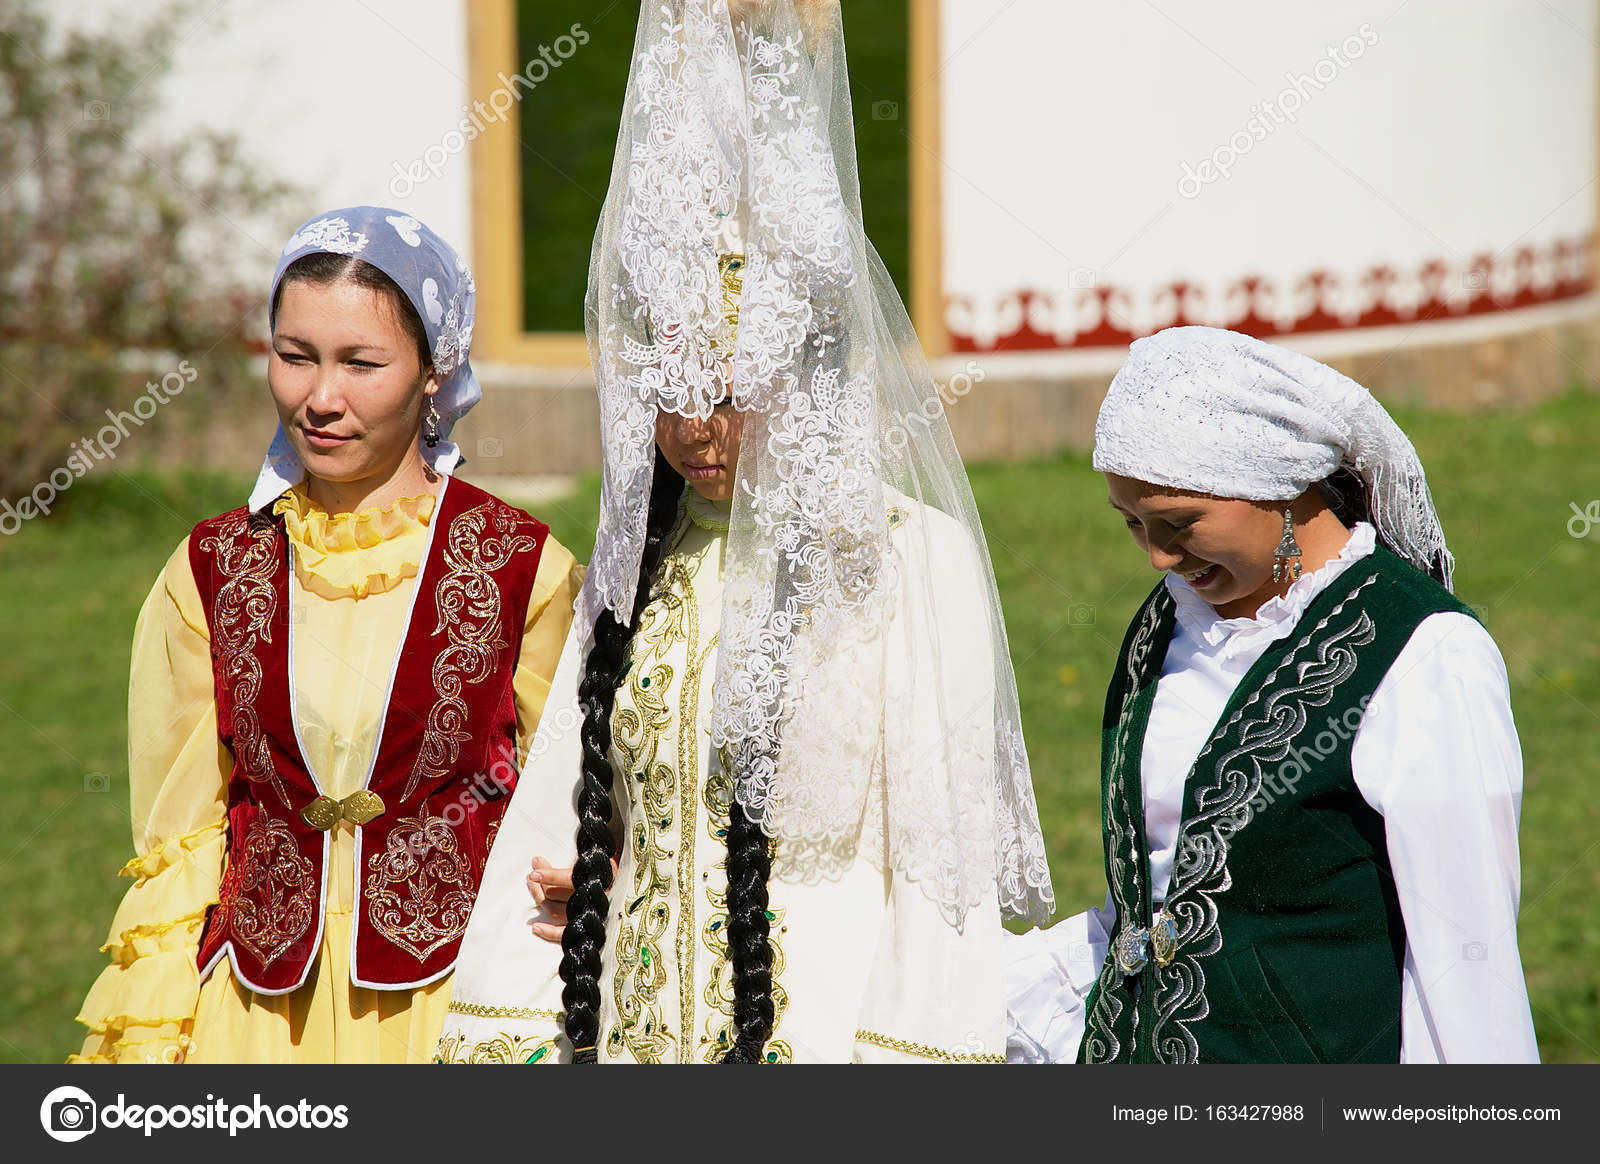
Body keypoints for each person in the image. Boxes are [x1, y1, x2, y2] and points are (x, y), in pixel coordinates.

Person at [435, 0, 1053, 1065]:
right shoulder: (642, 564)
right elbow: (562, 817)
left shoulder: (904, 564)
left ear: (809, 379)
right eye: (667, 394)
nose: (694, 431)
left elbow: (940, 882)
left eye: (729, 393)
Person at [71, 207, 581, 1063]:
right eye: (295, 355)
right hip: (258, 1015)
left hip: (458, 1004)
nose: (320, 398)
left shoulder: (520, 567)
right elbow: (182, 833)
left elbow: (570, 804)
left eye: (361, 363)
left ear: (433, 370)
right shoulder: (212, 569)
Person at [1006, 325, 1539, 1064]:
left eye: (1179, 523)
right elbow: (1157, 886)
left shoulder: (1422, 654)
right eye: (1132, 523)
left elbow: (1466, 958)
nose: (1157, 555)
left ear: (1279, 486)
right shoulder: (1168, 624)